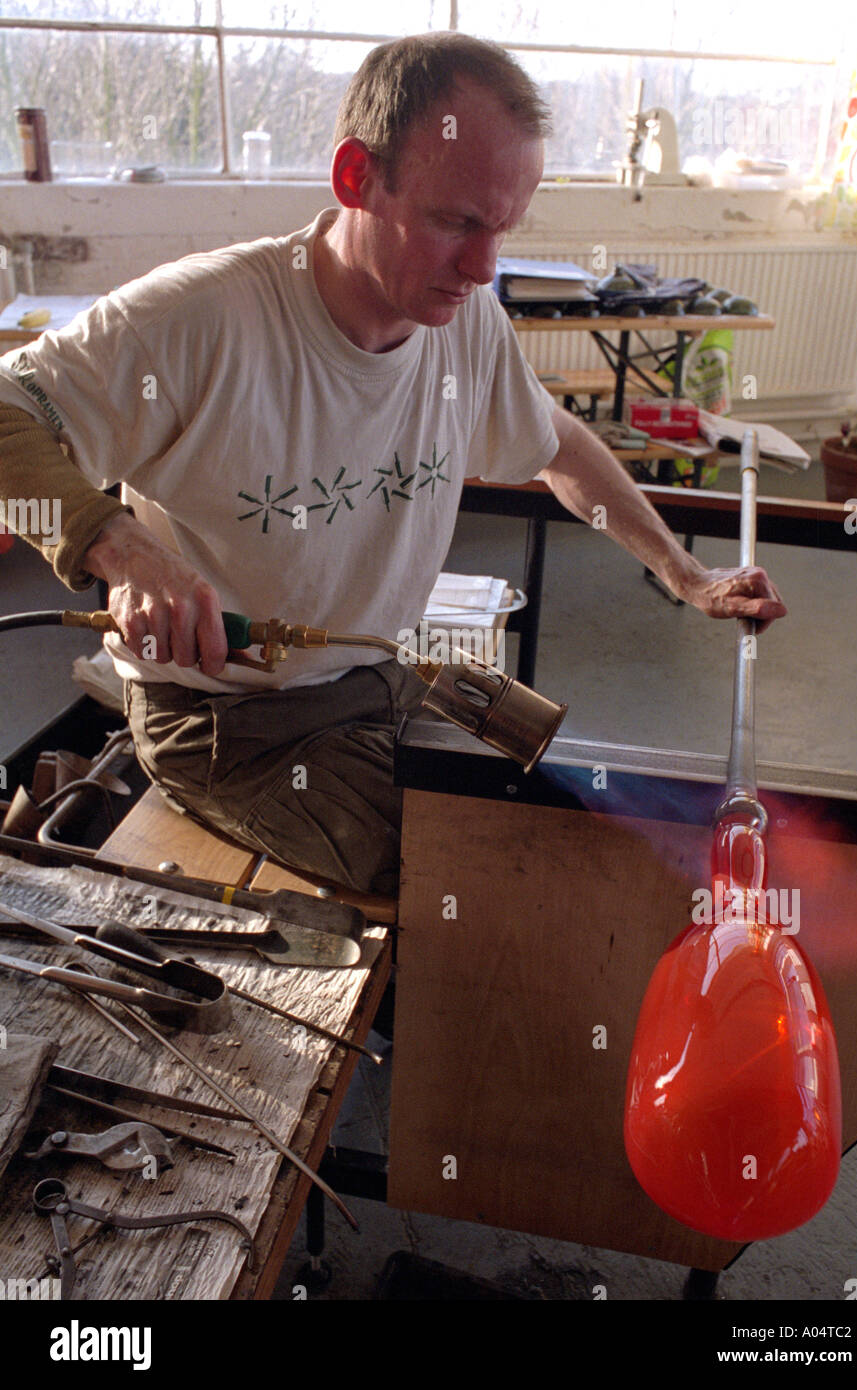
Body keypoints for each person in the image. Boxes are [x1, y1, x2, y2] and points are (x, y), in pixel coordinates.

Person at [0, 32, 785, 895]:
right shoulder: (203, 319)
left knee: (595, 812)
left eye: (503, 229)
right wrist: (121, 549)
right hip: (231, 722)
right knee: (496, 876)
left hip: (381, 670)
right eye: (456, 222)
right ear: (356, 177)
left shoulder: (464, 318)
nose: (483, 267)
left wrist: (684, 573)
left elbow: (553, 440)